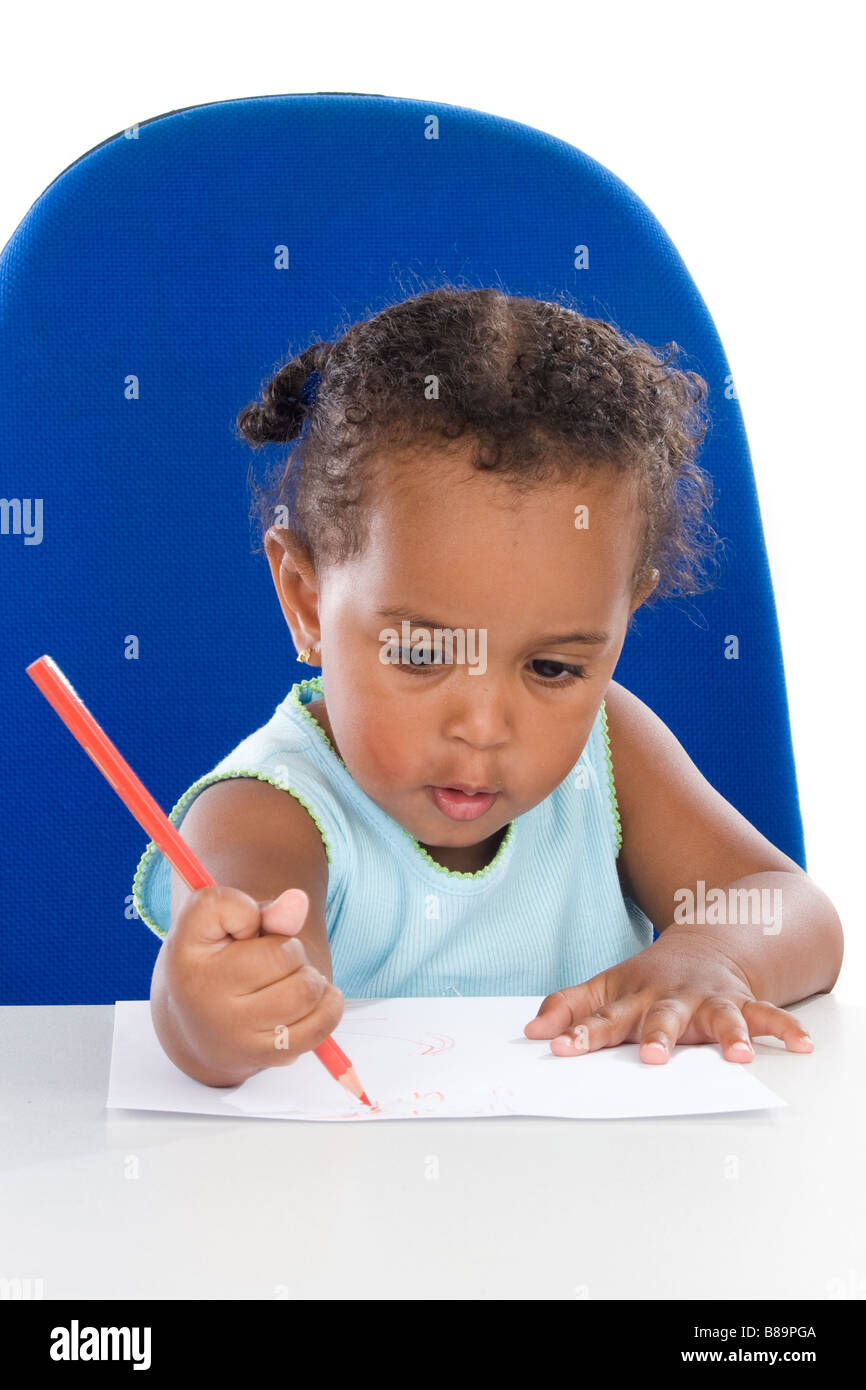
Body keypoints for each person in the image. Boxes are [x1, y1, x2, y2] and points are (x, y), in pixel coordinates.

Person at [133, 285, 843, 1088]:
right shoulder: (271, 808)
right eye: (423, 654)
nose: (482, 724)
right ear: (307, 603)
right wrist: (215, 1013)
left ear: (621, 624)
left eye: (552, 669)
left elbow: (792, 906)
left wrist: (712, 953)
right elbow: (231, 989)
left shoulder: (611, 752)